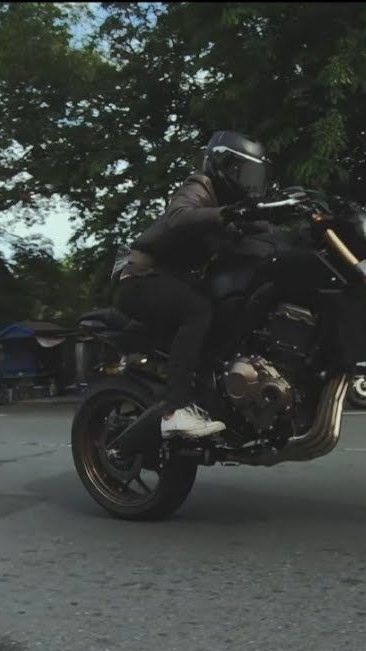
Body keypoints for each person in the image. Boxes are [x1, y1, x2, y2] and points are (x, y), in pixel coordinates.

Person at [110, 130, 272, 439]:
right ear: (223, 166)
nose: (248, 182)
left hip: (173, 281)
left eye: (254, 175)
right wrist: (225, 213)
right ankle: (175, 411)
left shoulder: (231, 210)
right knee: (197, 311)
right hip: (140, 279)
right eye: (242, 172)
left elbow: (261, 234)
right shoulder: (199, 187)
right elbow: (178, 217)